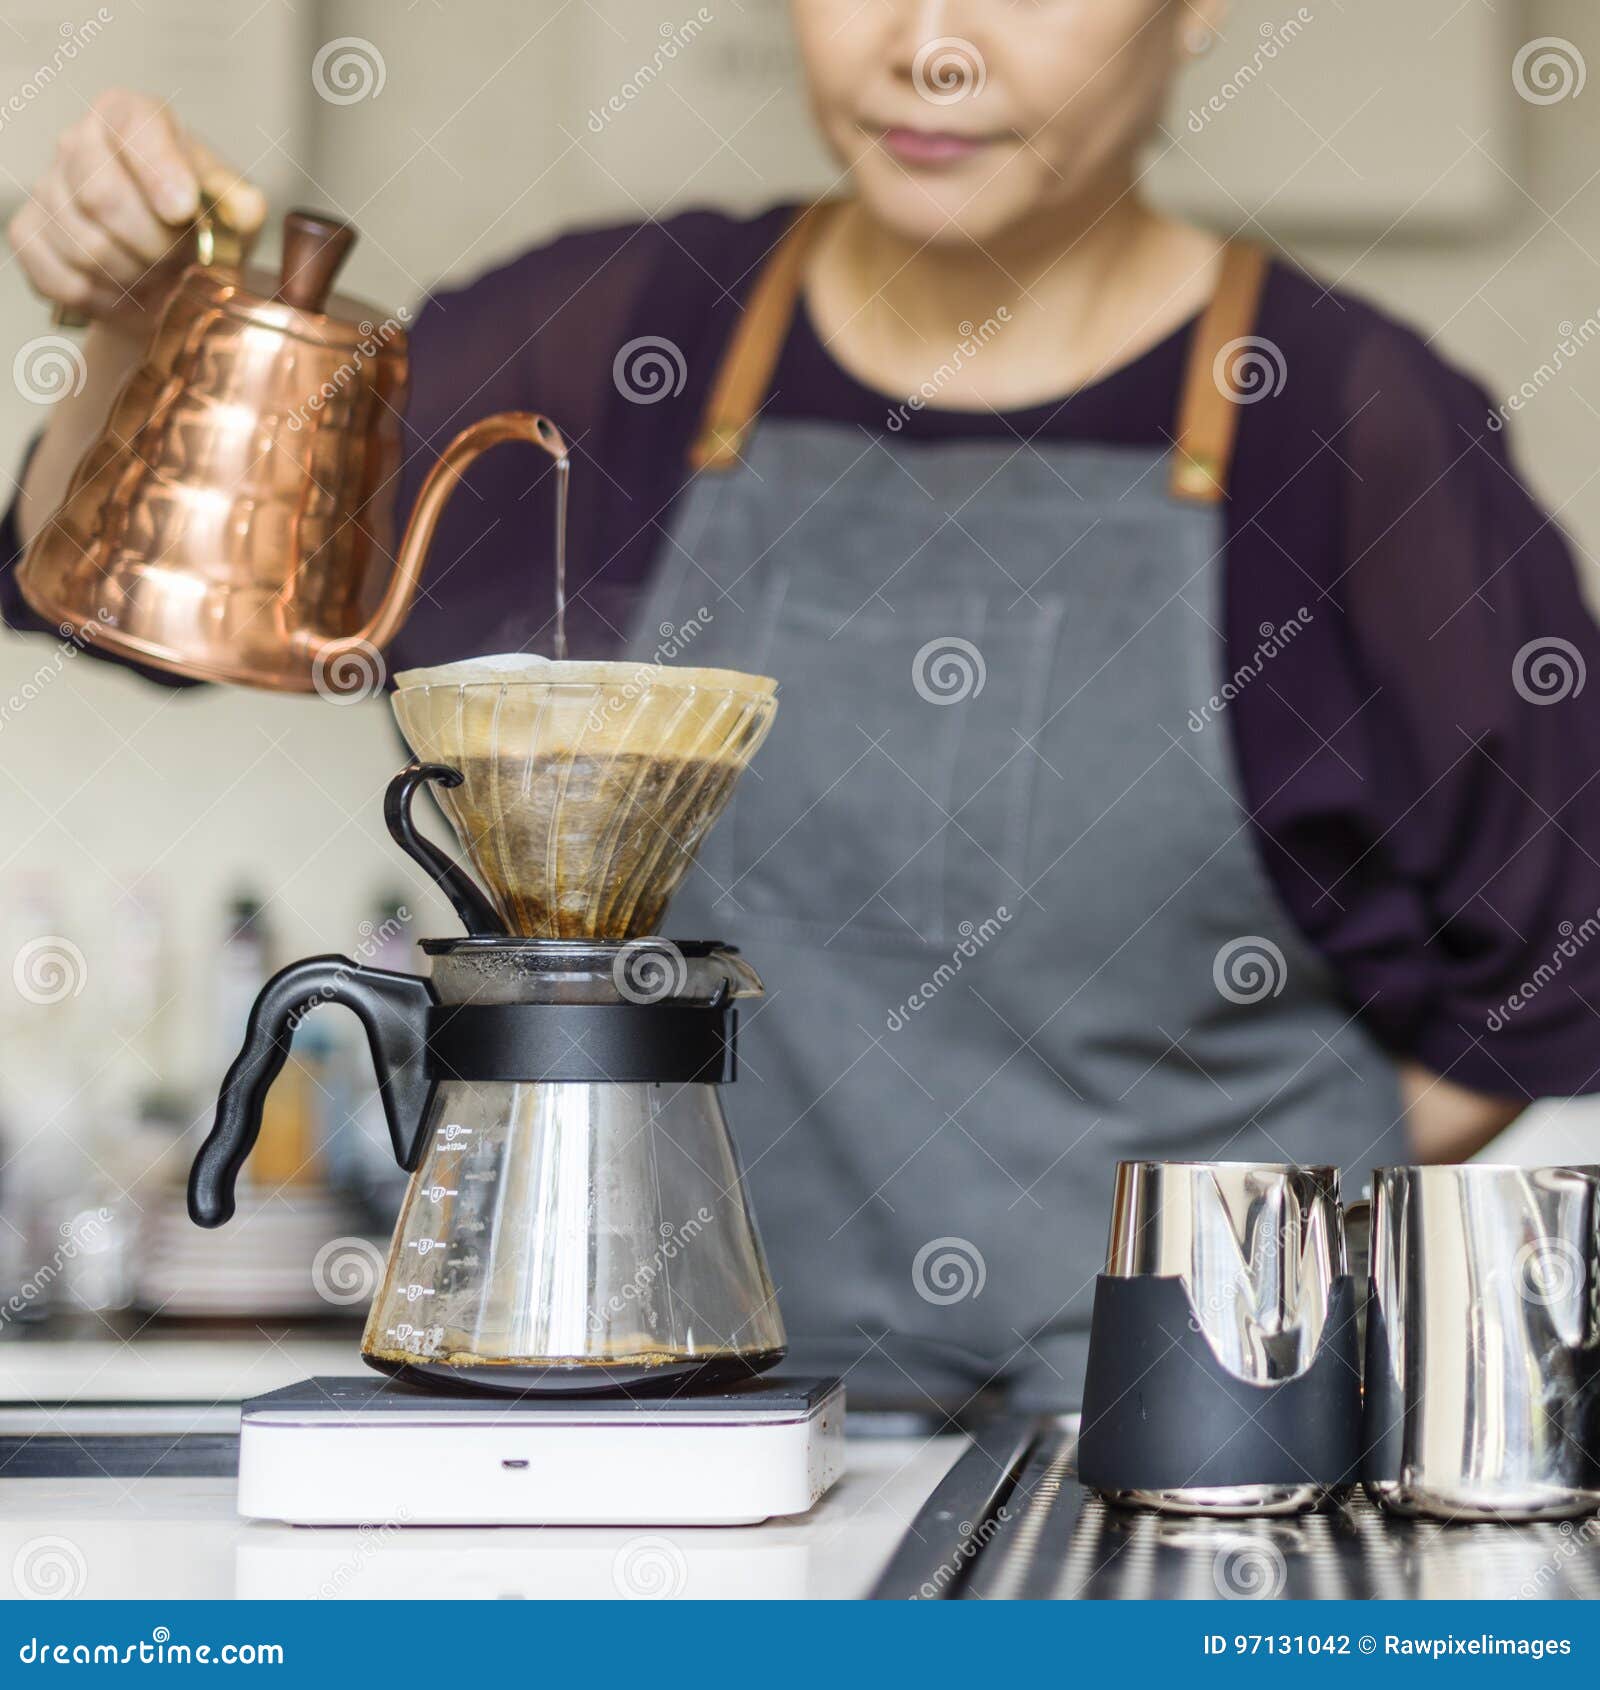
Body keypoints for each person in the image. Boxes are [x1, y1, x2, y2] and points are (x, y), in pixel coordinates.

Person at [7, 0, 1600, 1409]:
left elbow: (1547, 982)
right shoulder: (627, 342)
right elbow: (138, 602)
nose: (934, 45)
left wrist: (1225, 1284)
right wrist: (135, 335)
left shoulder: (1347, 429)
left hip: (1185, 1483)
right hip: (695, 1453)